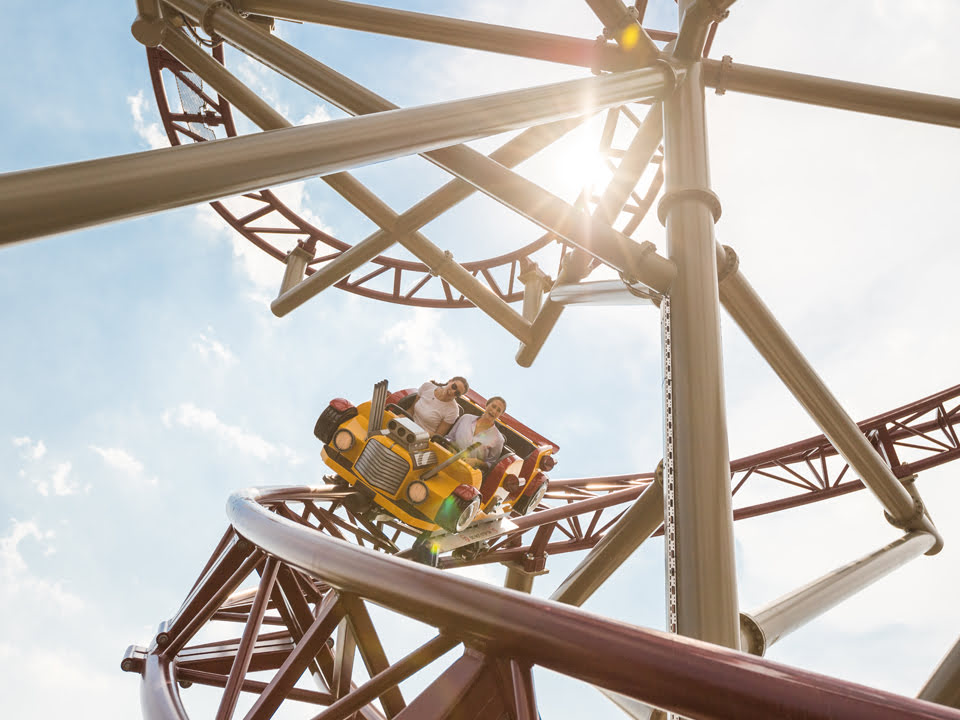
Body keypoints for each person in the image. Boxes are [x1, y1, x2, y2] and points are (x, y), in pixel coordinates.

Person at [446, 396, 507, 471]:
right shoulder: (465, 418)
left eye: (498, 410)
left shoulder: (499, 439)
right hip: (448, 459)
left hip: (468, 472)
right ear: (487, 405)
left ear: (500, 415)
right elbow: (449, 438)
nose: (494, 411)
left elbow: (491, 465)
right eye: (493, 406)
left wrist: (476, 462)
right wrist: (451, 448)